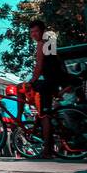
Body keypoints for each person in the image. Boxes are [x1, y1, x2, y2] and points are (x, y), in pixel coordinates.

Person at [26, 20, 70, 158]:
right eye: (31, 32)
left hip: (49, 83)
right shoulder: (51, 42)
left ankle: (47, 150)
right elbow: (58, 63)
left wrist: (31, 82)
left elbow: (38, 68)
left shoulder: (42, 44)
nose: (34, 34)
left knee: (44, 116)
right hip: (56, 81)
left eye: (36, 31)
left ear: (42, 31)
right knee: (47, 113)